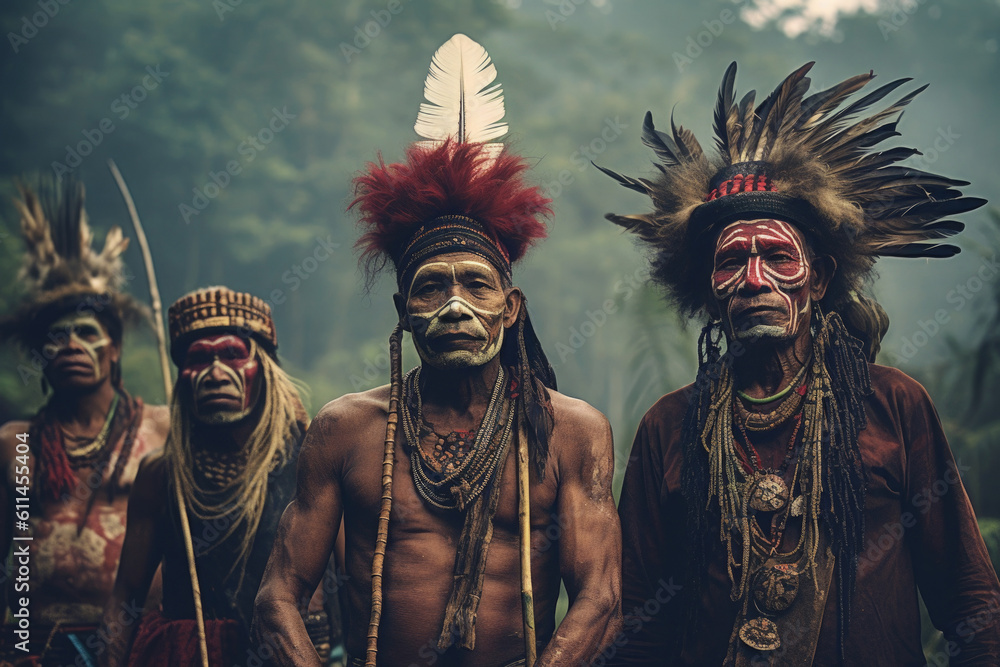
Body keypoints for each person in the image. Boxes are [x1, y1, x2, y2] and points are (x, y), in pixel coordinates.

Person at [597, 62, 1000, 665]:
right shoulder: (668, 427)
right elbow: (638, 625)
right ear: (710, 290)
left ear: (819, 279)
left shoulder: (893, 405)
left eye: (777, 256)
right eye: (732, 261)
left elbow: (970, 602)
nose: (753, 279)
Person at [253, 33, 622, 667]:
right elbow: (278, 597)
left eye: (476, 284)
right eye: (432, 287)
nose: (455, 305)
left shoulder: (569, 432)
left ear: (510, 309)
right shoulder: (347, 430)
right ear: (404, 312)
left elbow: (601, 599)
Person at [99, 286, 329, 665]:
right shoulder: (162, 473)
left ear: (265, 370)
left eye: (233, 355)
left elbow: (355, 579)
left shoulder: (311, 458)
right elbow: (125, 597)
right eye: (199, 359)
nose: (215, 373)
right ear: (183, 377)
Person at [0, 178, 168, 665]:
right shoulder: (16, 445)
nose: (71, 344)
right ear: (42, 357)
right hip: (35, 642)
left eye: (86, 333)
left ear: (113, 348)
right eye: (57, 336)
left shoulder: (159, 429)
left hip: (139, 641)